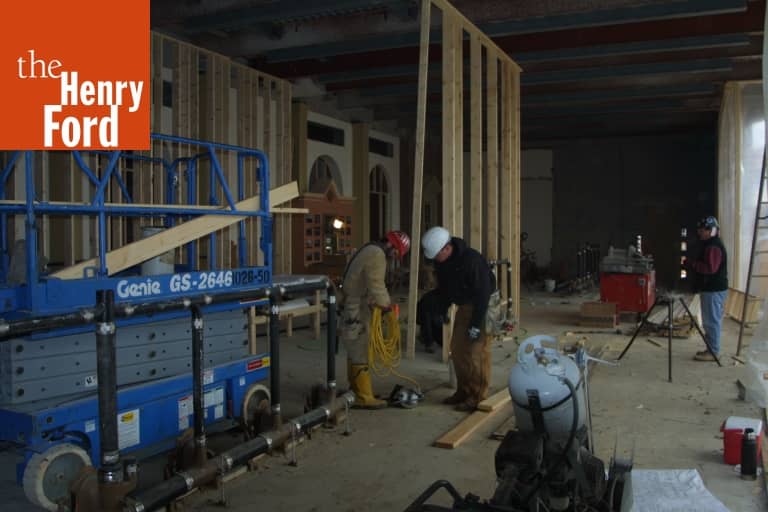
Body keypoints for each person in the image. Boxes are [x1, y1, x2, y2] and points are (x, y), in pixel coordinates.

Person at [421, 226, 496, 411]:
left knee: (475, 352)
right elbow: (446, 288)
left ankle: (478, 396)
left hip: (483, 305)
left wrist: (476, 325)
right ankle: (464, 390)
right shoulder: (442, 262)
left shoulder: (472, 260)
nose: (434, 261)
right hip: (464, 305)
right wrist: (442, 308)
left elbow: (483, 294)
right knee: (456, 348)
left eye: (436, 255)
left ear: (447, 248)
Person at [339, 230, 411, 408]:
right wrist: (386, 308)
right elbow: (376, 284)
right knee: (359, 347)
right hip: (354, 307)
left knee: (356, 346)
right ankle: (363, 397)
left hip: (354, 303)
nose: (394, 257)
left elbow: (364, 280)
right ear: (392, 245)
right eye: (396, 253)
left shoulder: (370, 248)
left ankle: (355, 389)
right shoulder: (378, 254)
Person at [690, 216, 728, 361]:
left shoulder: (713, 247)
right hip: (713, 289)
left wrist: (693, 264)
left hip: (713, 289)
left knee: (711, 321)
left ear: (711, 230)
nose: (700, 233)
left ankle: (713, 352)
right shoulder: (711, 244)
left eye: (702, 230)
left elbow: (710, 269)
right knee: (711, 320)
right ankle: (711, 349)